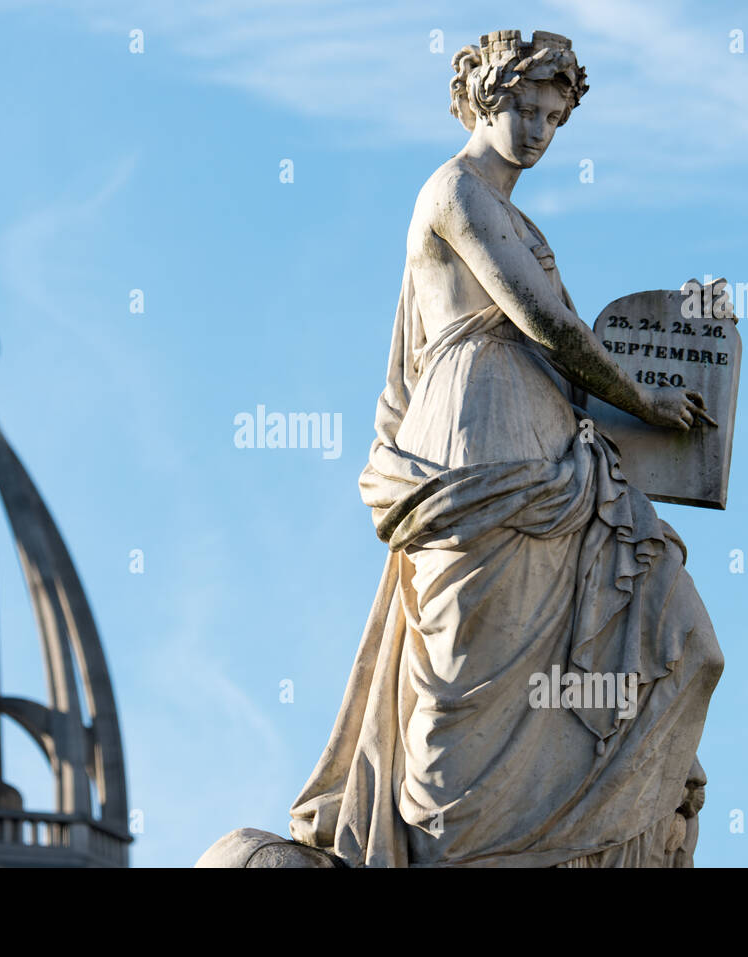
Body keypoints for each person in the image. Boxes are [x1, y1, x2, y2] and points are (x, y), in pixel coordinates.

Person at [288, 30, 724, 867]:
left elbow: (563, 346)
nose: (535, 131)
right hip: (477, 444)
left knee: (677, 627)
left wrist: (661, 416)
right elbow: (545, 323)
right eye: (522, 108)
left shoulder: (516, 217)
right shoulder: (454, 191)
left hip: (555, 452)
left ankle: (581, 821)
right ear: (484, 100)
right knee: (468, 665)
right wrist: (647, 400)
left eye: (553, 118)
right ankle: (454, 843)